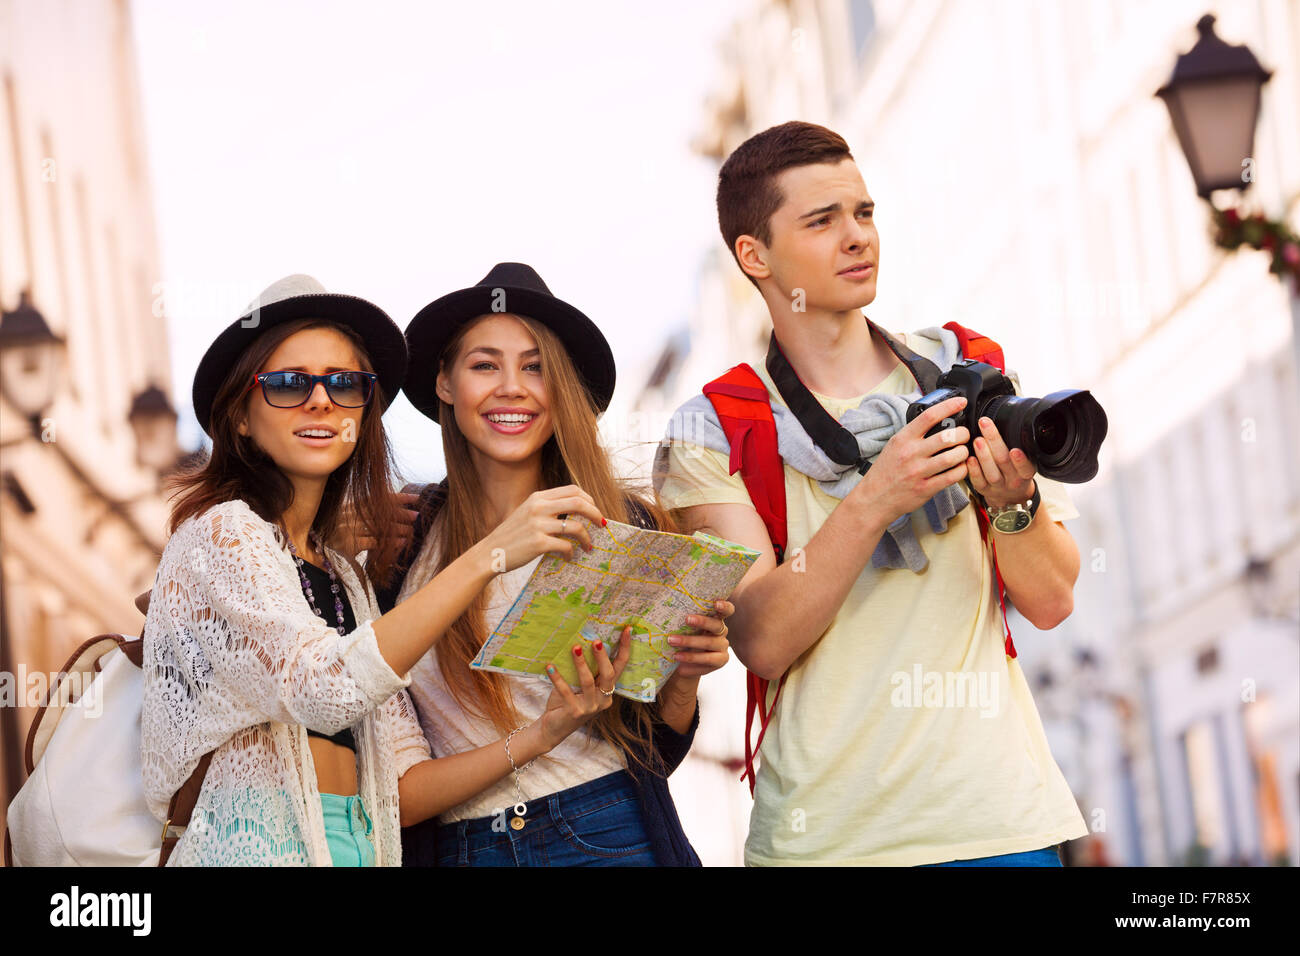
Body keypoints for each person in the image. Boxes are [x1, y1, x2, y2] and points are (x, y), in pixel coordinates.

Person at [654, 122, 1089, 866]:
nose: (858, 237)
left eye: (864, 213)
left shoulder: (965, 369)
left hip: (1001, 823)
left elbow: (1050, 602)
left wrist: (1013, 506)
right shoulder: (712, 429)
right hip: (828, 841)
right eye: (822, 221)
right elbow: (762, 639)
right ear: (753, 255)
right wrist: (876, 496)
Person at [140, 274, 601, 866]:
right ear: (241, 419)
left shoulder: (342, 575)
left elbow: (403, 787)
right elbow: (325, 689)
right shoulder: (220, 532)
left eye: (344, 383)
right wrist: (489, 556)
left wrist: (541, 736)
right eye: (286, 383)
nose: (320, 400)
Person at [388, 262, 731, 866]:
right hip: (462, 848)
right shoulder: (405, 543)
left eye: (536, 367)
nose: (513, 388)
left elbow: (655, 751)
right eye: (485, 365)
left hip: (606, 827)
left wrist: (684, 678)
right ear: (445, 383)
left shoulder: (620, 525)